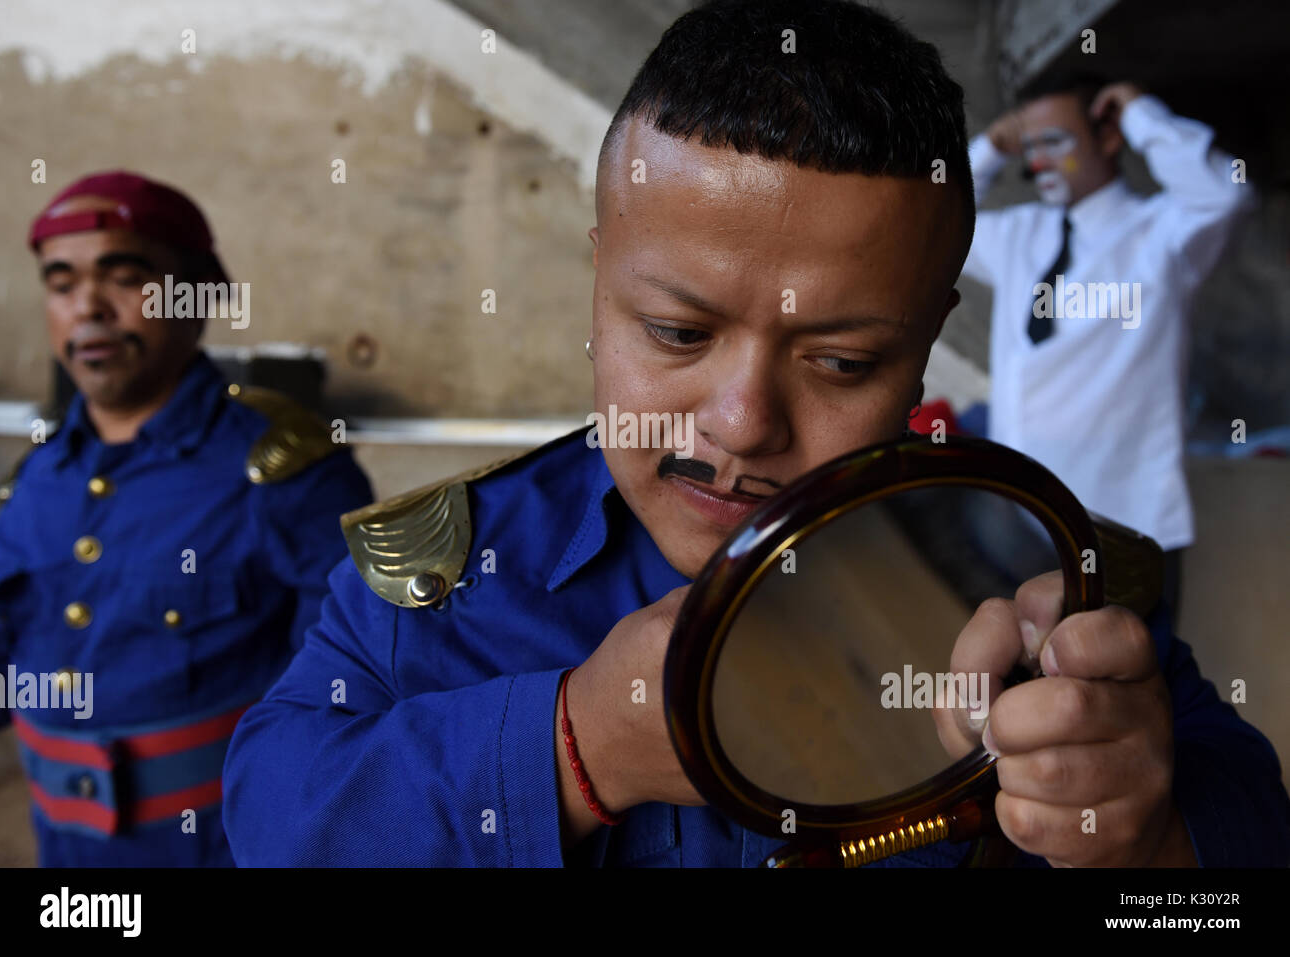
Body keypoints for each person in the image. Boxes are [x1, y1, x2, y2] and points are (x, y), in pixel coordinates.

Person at [222, 0, 1289, 867]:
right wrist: (572, 750)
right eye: (677, 332)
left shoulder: (1048, 598)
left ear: (923, 345)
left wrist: (1149, 844)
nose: (740, 423)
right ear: (598, 283)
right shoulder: (441, 582)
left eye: (841, 362)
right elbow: (272, 820)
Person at [0, 171, 373, 866]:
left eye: (124, 276)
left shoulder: (284, 474)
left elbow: (354, 704)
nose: (89, 309)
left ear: (200, 292)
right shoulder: (31, 484)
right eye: (61, 282)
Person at [963, 75, 1252, 615]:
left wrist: (1143, 116)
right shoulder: (1019, 235)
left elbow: (1225, 193)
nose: (1040, 161)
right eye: (1031, 147)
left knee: (1130, 688)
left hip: (1121, 530)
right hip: (1014, 517)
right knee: (1021, 686)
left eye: (1055, 141)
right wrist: (990, 150)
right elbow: (936, 223)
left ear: (1109, 139)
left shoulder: (1161, 236)